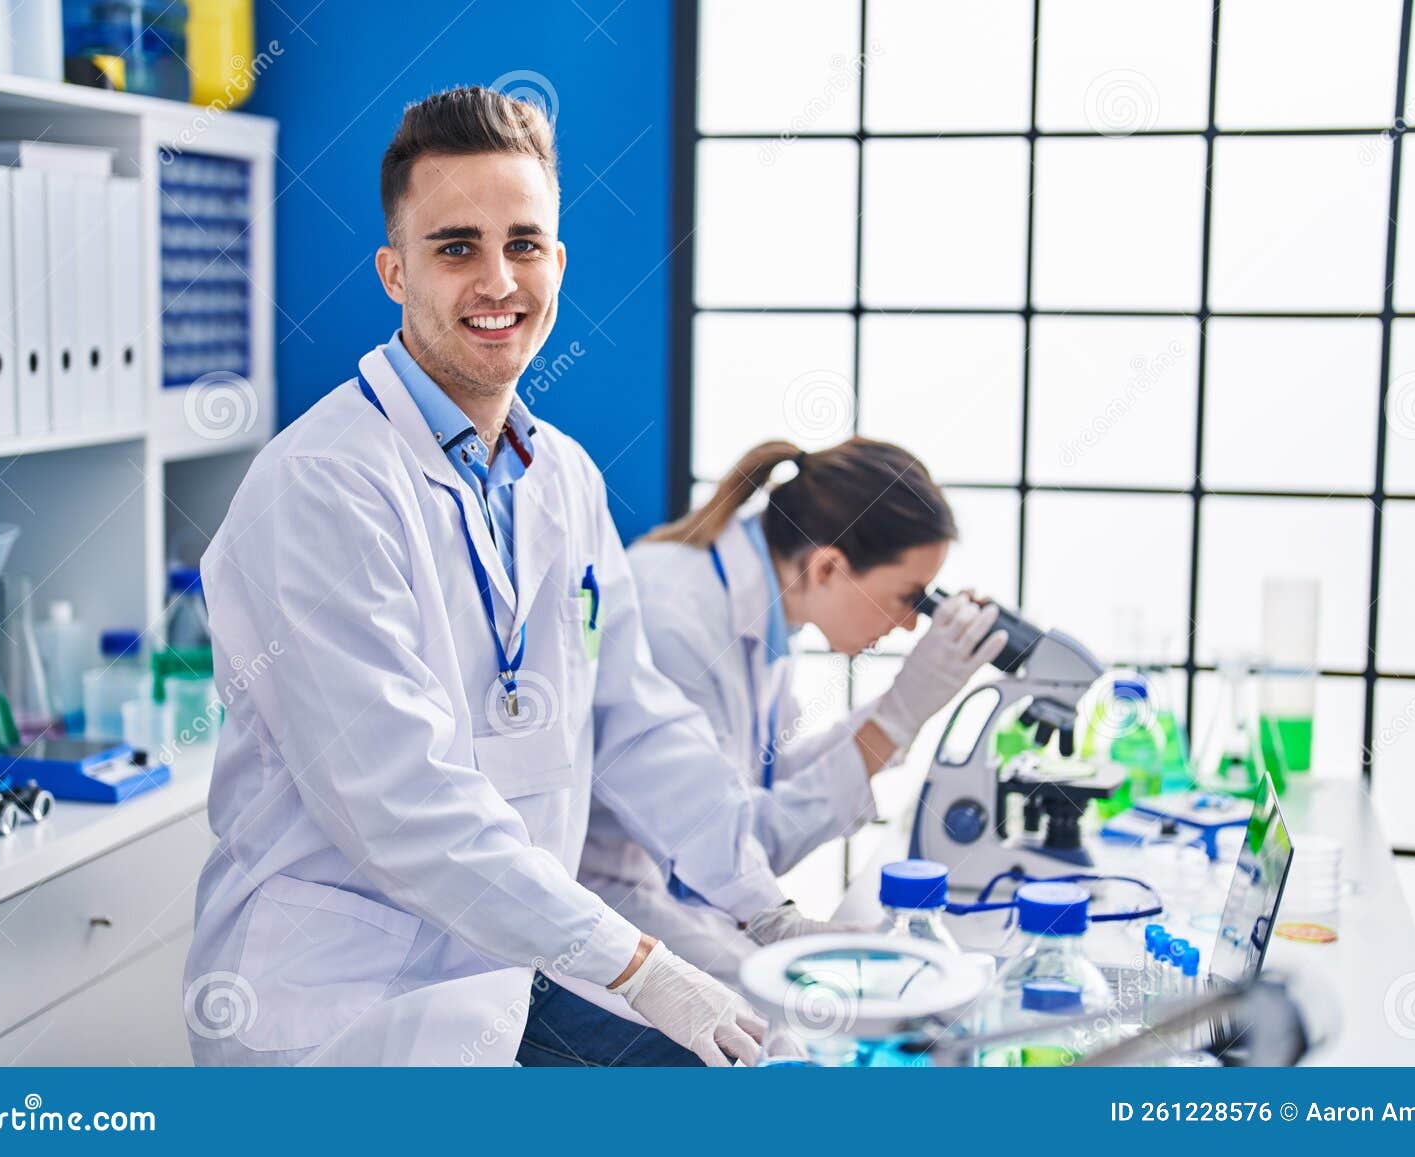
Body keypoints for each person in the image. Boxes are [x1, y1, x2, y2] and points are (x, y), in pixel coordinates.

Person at [184, 87, 844, 1068]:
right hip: (339, 1007)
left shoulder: (561, 475)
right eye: (455, 247)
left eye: (523, 244)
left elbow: (630, 715)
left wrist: (764, 901)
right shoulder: (323, 485)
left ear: (558, 263)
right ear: (394, 272)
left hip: (503, 972)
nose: (497, 280)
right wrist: (640, 966)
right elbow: (400, 799)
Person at [578, 438, 1009, 985]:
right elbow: (744, 839)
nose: (908, 624)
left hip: (684, 897)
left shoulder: (768, 606)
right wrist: (899, 713)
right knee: (785, 1024)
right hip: (614, 907)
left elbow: (767, 780)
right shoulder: (675, 619)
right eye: (909, 598)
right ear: (829, 567)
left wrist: (907, 703)